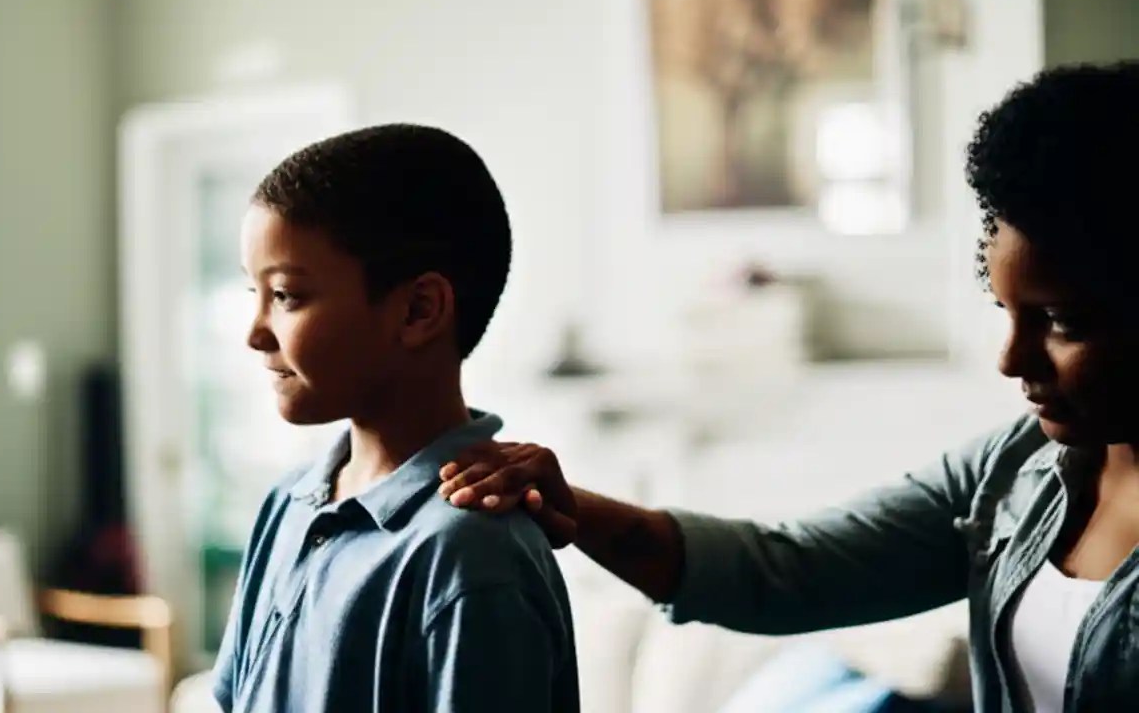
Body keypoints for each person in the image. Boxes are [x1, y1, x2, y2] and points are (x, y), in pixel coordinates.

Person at [438, 61, 1139, 713]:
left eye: (1061, 322)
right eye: (1007, 313)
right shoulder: (1015, 470)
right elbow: (787, 572)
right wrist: (568, 505)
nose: (1011, 360)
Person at [216, 124, 578, 713]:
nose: (255, 333)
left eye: (285, 296)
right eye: (252, 293)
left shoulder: (474, 560)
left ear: (418, 310)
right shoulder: (287, 505)